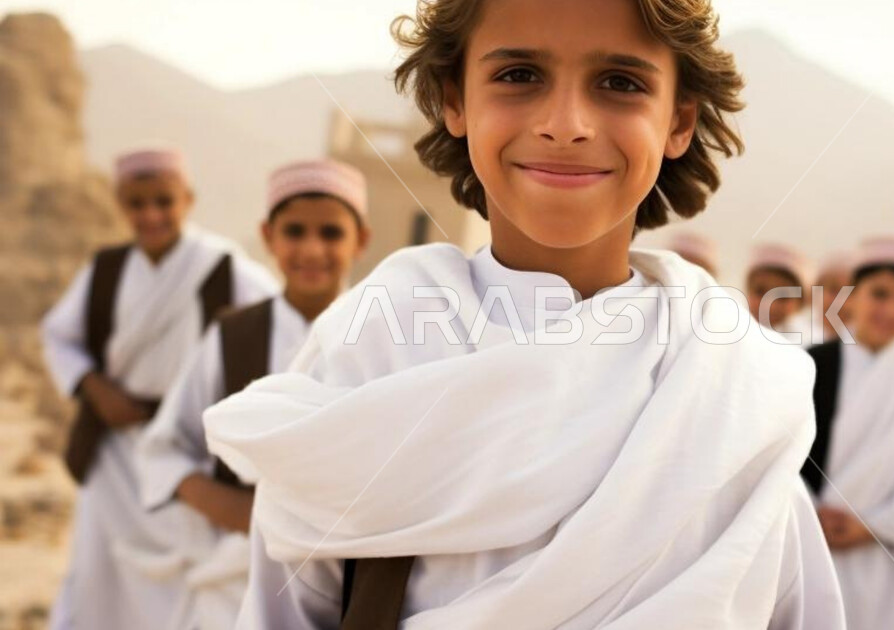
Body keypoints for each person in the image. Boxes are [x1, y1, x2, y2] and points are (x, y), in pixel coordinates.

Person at [206, 0, 845, 628]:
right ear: (455, 99)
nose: (565, 124)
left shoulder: (731, 388)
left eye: (620, 83)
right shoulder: (368, 352)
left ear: (678, 121)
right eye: (518, 75)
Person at [40, 148, 278, 629]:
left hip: (185, 456)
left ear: (187, 201)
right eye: (137, 203)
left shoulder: (223, 269)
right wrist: (93, 386)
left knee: (183, 589)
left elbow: (278, 321)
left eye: (163, 202)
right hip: (113, 458)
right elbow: (58, 336)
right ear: (121, 205)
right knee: (96, 582)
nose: (151, 215)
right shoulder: (106, 270)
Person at [135, 159, 371, 629]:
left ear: (359, 240)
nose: (311, 249)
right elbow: (161, 451)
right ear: (268, 237)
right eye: (295, 231)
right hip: (233, 585)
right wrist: (249, 513)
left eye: (330, 234)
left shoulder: (380, 334)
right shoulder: (234, 336)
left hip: (351, 581)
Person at [801, 236, 894, 629]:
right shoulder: (812, 364)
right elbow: (786, 454)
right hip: (808, 543)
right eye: (879, 294)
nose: (890, 310)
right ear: (853, 296)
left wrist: (871, 527)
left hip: (885, 552)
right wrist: (811, 513)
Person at [745, 242, 814, 336]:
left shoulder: (810, 344)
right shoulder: (728, 337)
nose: (770, 305)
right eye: (760, 292)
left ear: (801, 303)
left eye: (783, 296)